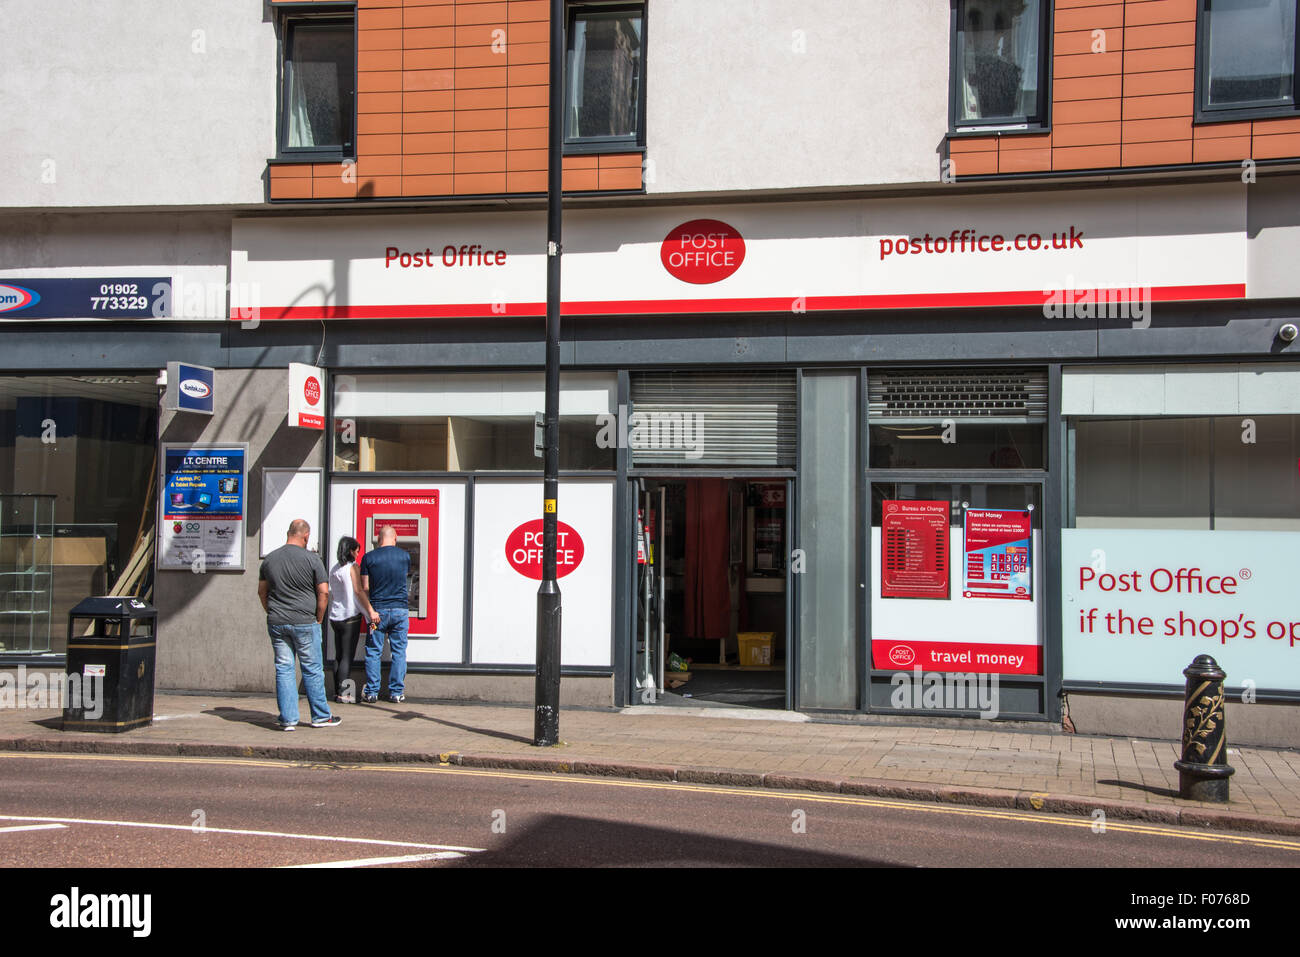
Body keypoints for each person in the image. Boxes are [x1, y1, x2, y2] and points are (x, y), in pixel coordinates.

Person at [257, 519, 341, 730]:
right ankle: (321, 716)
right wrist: (319, 617)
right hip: (305, 621)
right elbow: (323, 592)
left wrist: (272, 611)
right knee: (312, 668)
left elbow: (261, 591)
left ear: (288, 533)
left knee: (284, 669)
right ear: (306, 536)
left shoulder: (270, 559)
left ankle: (288, 719)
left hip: (277, 621)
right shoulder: (312, 559)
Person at [359, 524, 411, 704]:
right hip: (400, 611)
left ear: (378, 538)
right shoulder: (405, 556)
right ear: (395, 538)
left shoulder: (368, 557)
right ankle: (396, 692)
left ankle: (372, 692)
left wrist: (370, 610)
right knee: (399, 651)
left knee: (373, 650)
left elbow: (365, 587)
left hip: (377, 612)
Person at [328, 536, 379, 703]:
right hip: (350, 616)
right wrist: (370, 611)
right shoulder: (353, 567)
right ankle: (345, 694)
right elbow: (358, 591)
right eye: (357, 550)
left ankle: (337, 692)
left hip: (335, 617)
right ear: (351, 550)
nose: (358, 553)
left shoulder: (335, 568)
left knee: (339, 655)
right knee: (347, 657)